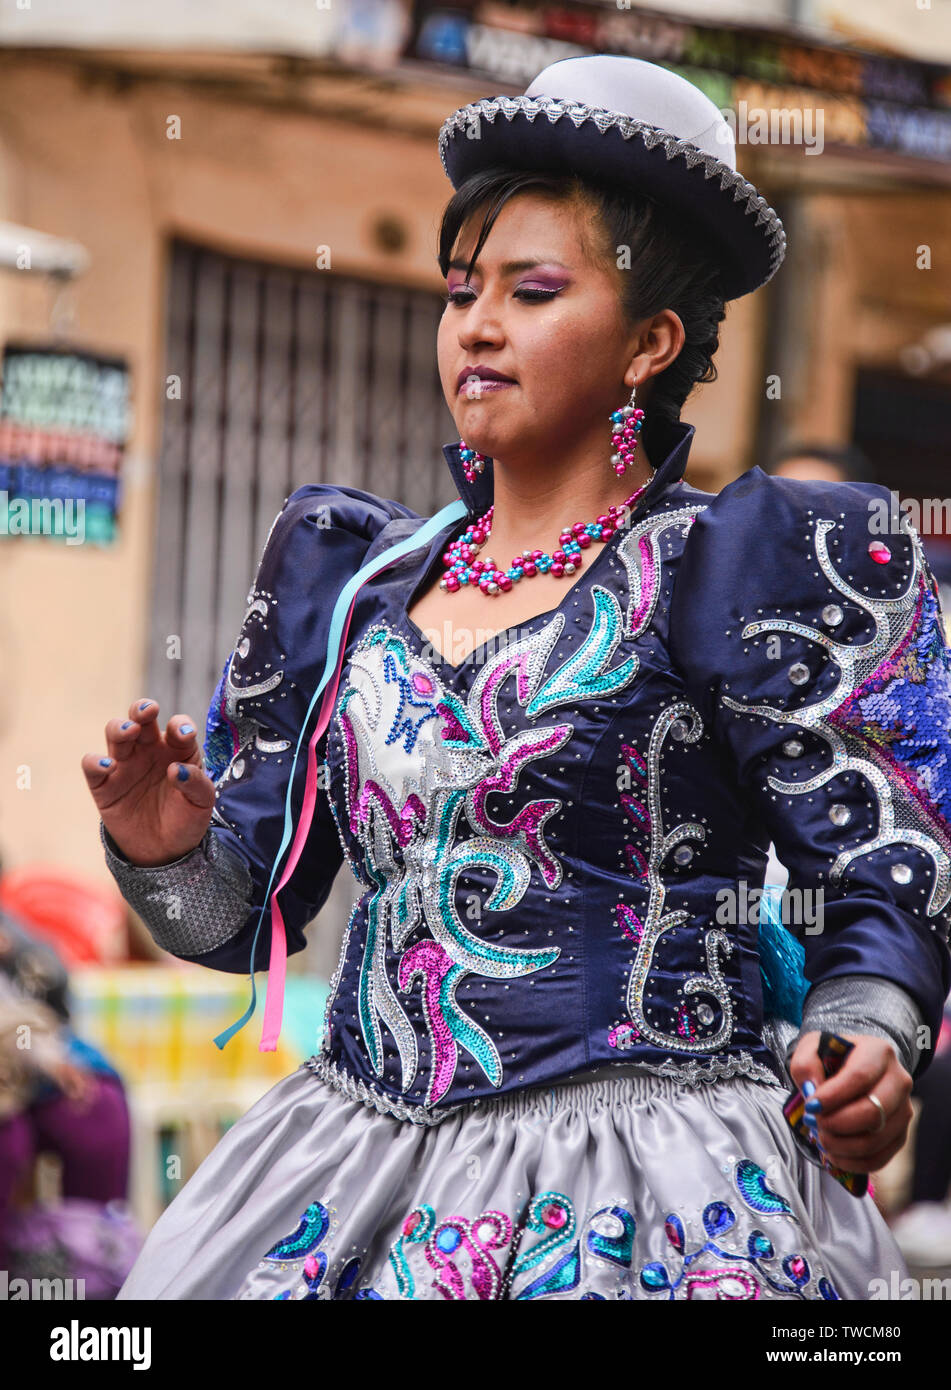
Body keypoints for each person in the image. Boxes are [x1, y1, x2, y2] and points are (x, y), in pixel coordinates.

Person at [83, 55, 951, 1301]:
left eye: (533, 291)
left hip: (650, 1190)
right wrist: (163, 849)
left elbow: (884, 868)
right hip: (344, 1165)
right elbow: (244, 925)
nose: (476, 325)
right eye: (460, 291)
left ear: (652, 341)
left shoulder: (731, 570)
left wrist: (864, 1036)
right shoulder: (355, 581)